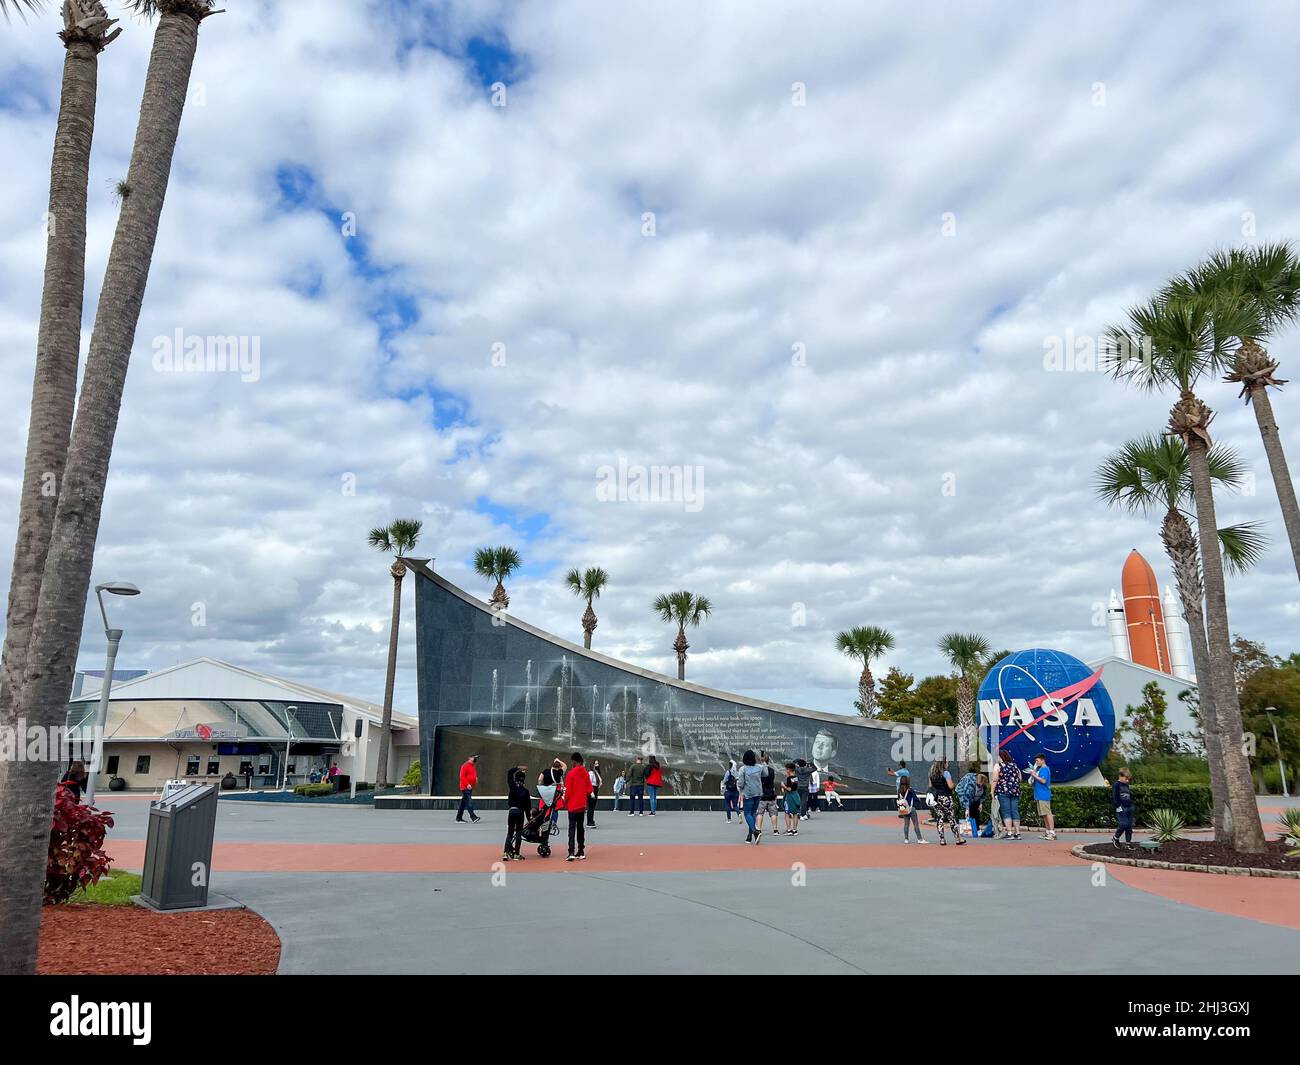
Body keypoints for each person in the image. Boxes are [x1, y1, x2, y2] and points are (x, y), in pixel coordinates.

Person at [563, 752, 593, 861]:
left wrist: (564, 801)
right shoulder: (585, 773)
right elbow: (590, 789)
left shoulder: (570, 774)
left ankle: (571, 852)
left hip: (572, 805)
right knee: (580, 828)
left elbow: (568, 791)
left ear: (575, 761)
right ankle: (581, 851)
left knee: (571, 828)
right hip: (581, 805)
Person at [928, 759, 965, 846]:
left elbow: (930, 786)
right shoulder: (946, 773)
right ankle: (958, 839)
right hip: (946, 797)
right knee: (951, 817)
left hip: (936, 798)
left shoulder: (931, 774)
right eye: (947, 762)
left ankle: (942, 839)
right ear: (943, 764)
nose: (948, 764)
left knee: (940, 818)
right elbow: (950, 786)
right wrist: (954, 784)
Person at [991, 748, 1022, 840]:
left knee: (1006, 812)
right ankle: (1017, 832)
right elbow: (1020, 778)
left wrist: (992, 791)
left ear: (1000, 757)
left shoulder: (998, 766)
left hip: (1003, 791)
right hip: (1015, 791)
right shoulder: (1014, 766)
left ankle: (1009, 833)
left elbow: (995, 779)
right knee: (1015, 811)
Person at [737, 749, 764, 844]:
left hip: (748, 794)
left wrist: (740, 788)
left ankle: (755, 831)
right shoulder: (759, 767)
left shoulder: (743, 769)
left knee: (747, 813)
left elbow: (740, 783)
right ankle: (749, 836)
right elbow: (766, 774)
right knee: (752, 813)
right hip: (758, 793)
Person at [504, 765, 530, 861]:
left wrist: (517, 768)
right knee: (518, 833)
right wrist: (529, 819)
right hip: (520, 813)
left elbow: (509, 772)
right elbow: (528, 807)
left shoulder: (512, 786)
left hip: (512, 811)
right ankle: (516, 854)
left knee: (510, 832)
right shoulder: (526, 791)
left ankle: (506, 853)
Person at [1029, 752, 1056, 840]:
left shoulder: (1044, 769)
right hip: (1039, 794)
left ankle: (1052, 832)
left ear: (1042, 760)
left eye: (1037, 761)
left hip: (1043, 795)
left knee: (1047, 813)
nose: (1036, 763)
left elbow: (1043, 781)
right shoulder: (1040, 769)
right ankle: (1048, 831)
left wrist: (1034, 775)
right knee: (1044, 814)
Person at [756, 752, 781, 835]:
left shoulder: (759, 771)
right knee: (773, 813)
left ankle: (759, 829)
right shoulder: (772, 771)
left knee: (760, 813)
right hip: (771, 793)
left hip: (761, 794)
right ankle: (775, 830)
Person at [896, 777, 926, 843]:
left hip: (904, 809)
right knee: (915, 824)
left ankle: (906, 839)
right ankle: (920, 839)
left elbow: (899, 799)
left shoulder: (899, 790)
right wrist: (919, 801)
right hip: (911, 808)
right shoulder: (910, 790)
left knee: (906, 824)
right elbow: (915, 799)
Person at [540, 758, 567, 829]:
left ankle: (544, 822)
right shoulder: (559, 772)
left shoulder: (545, 771)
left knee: (545, 807)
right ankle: (553, 823)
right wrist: (559, 760)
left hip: (546, 791)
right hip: (555, 792)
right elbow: (565, 766)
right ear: (559, 767)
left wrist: (543, 785)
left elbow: (540, 779)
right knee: (555, 809)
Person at [1112, 766, 1135, 848]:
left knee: (1129, 826)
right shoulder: (1116, 785)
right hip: (1122, 807)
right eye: (1126, 778)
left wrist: (1131, 805)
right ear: (1121, 776)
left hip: (1129, 807)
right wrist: (1118, 806)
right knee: (1123, 824)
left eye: (1128, 779)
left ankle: (1128, 843)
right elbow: (1115, 797)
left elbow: (1128, 795)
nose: (1127, 780)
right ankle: (1115, 838)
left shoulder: (1126, 785)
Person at [456, 754, 481, 823]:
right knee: (468, 802)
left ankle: (458, 818)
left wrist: (475, 778)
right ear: (469, 758)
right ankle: (473, 817)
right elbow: (462, 777)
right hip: (465, 787)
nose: (476, 759)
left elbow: (472, 774)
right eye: (474, 757)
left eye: (476, 758)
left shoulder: (472, 766)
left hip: (470, 787)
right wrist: (467, 784)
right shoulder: (465, 766)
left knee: (463, 803)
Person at [782, 762, 802, 834]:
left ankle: (788, 830)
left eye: (787, 769)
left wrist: (783, 785)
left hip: (790, 797)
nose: (786, 770)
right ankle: (795, 830)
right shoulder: (796, 777)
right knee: (795, 813)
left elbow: (789, 789)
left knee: (787, 813)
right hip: (796, 795)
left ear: (789, 769)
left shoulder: (789, 778)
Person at [587, 759, 603, 827]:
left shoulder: (596, 772)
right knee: (590, 806)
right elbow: (588, 783)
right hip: (592, 790)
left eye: (598, 764)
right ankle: (589, 822)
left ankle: (591, 820)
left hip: (595, 789)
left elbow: (599, 782)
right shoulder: (590, 773)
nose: (597, 765)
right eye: (596, 764)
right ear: (592, 765)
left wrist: (599, 784)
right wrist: (591, 792)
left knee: (592, 807)